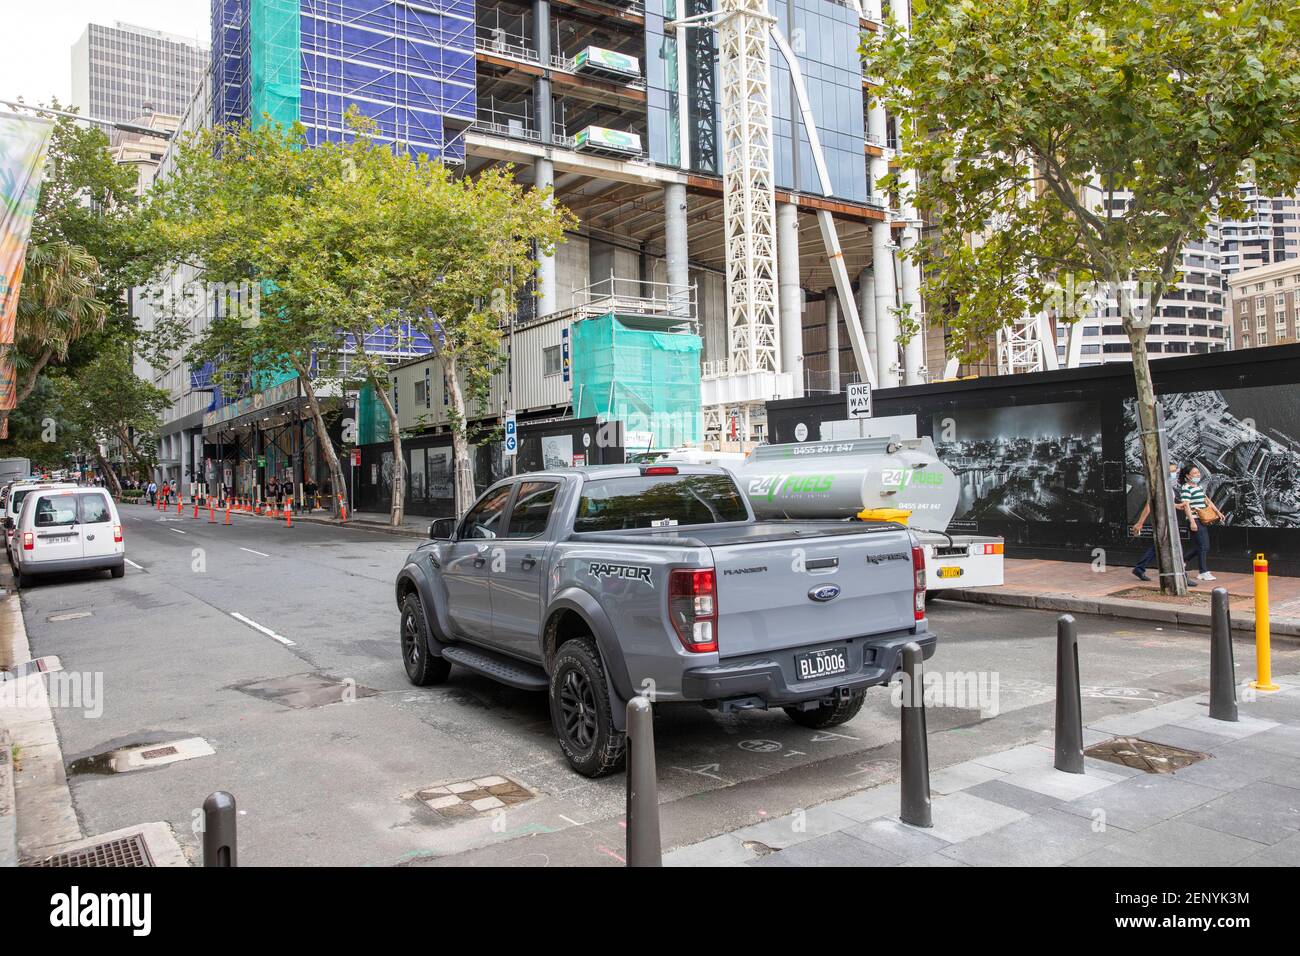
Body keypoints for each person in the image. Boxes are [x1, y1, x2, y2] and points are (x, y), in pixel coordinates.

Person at [1132, 461, 1193, 585]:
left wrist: (1177, 505)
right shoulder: (1159, 487)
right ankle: (1183, 575)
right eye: (1171, 472)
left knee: (1158, 547)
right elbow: (1149, 505)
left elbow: (1166, 503)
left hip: (1168, 519)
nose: (1174, 474)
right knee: (1174, 546)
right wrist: (1140, 523)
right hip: (1164, 521)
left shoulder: (1168, 487)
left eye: (1175, 471)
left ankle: (1140, 568)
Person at [1179, 464, 1222, 583]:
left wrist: (1218, 512)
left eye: (1198, 473)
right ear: (1187, 476)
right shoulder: (1186, 488)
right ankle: (1203, 572)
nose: (1198, 475)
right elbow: (1186, 505)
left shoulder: (1198, 487)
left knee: (1203, 546)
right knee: (1203, 546)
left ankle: (1182, 561)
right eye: (1194, 473)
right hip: (1195, 519)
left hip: (1201, 519)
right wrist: (1192, 522)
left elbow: (1207, 500)